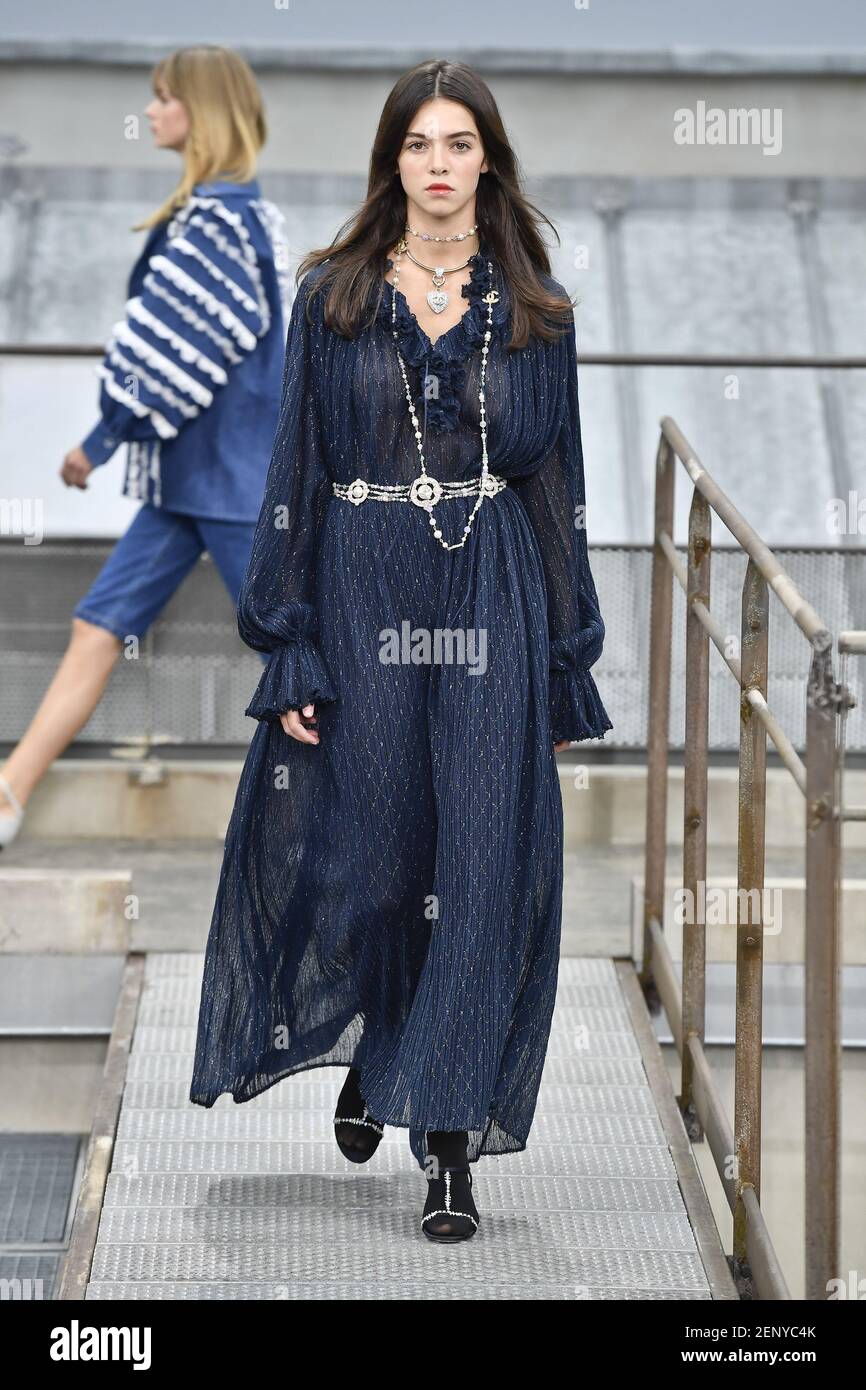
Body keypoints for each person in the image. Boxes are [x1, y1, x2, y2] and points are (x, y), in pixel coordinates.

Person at [189, 58, 613, 1244]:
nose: (437, 164)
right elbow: (293, 479)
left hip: (492, 596)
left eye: (458, 145)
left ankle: (445, 1145)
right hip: (363, 589)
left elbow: (554, 486)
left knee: (478, 871)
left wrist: (567, 654)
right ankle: (378, 1049)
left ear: (487, 161)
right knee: (374, 863)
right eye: (417, 145)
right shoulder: (329, 297)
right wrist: (288, 643)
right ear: (393, 163)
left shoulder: (536, 311)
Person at [0, 45, 289, 849]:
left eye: (164, 99)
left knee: (296, 658)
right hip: (191, 486)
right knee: (99, 626)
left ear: (199, 112)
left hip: (230, 487)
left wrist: (97, 442)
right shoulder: (235, 216)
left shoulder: (220, 223)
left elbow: (168, 355)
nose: (152, 112)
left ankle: (386, 815)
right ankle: (9, 793)